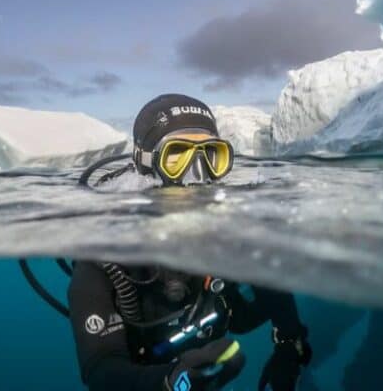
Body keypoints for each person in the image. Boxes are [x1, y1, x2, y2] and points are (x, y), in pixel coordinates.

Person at [68, 94, 312, 391]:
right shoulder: (104, 252)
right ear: (145, 165)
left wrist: (288, 344)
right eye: (177, 155)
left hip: (214, 331)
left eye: (211, 155)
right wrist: (174, 384)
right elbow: (102, 370)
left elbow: (270, 282)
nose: (197, 176)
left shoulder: (232, 225)